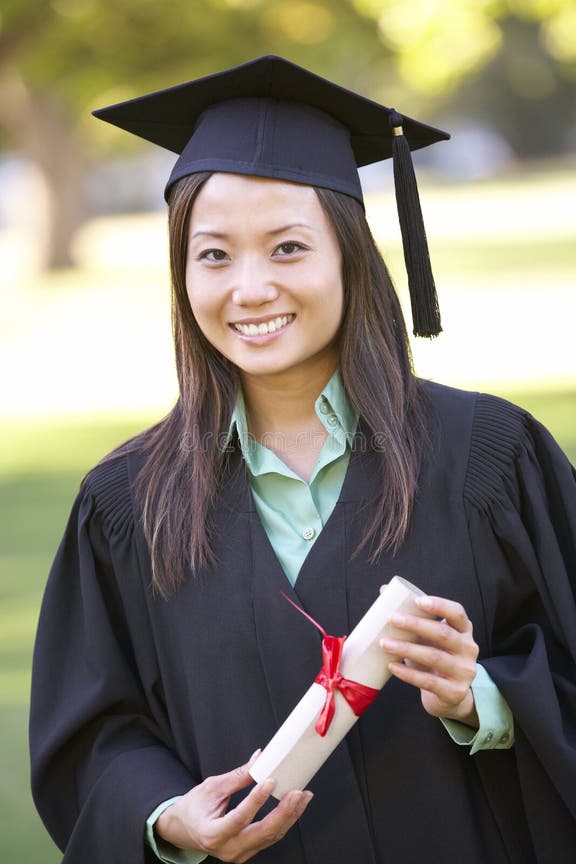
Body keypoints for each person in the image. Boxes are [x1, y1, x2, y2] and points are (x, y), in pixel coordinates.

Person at [30, 55, 576, 864]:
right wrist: (168, 817)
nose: (249, 289)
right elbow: (95, 736)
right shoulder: (126, 505)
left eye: (287, 248)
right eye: (213, 255)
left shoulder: (490, 458)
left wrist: (483, 696)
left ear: (351, 256)